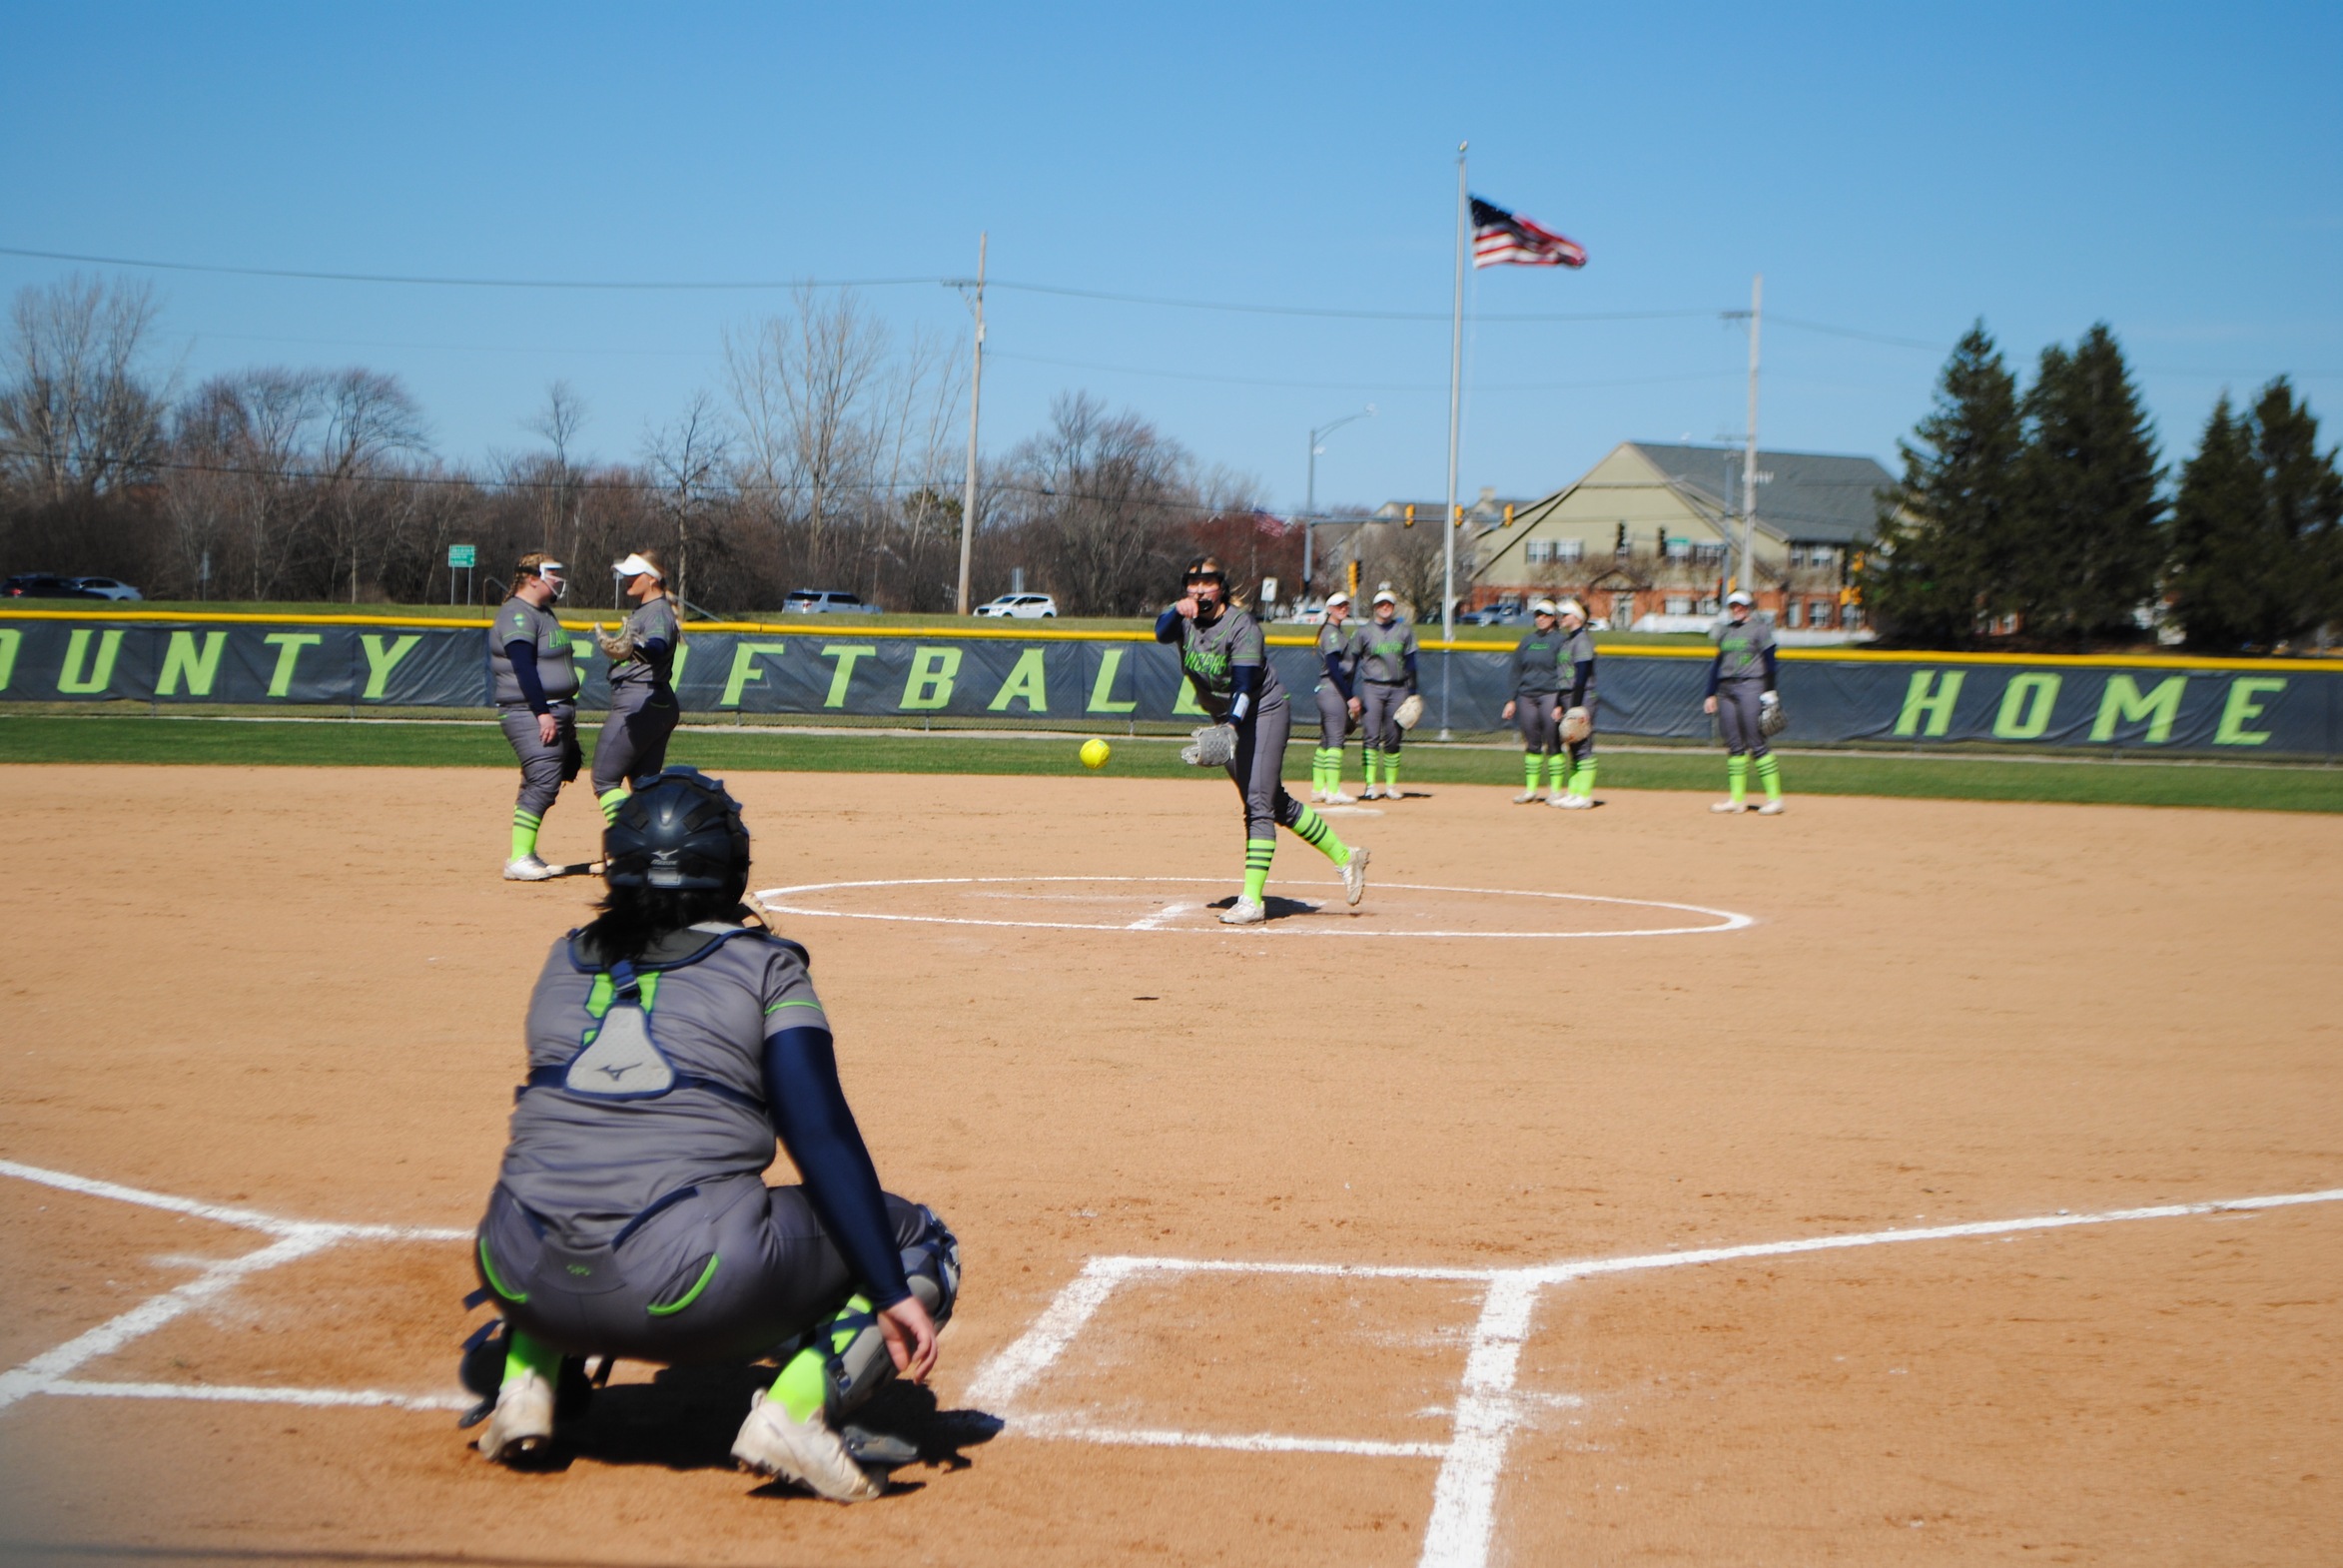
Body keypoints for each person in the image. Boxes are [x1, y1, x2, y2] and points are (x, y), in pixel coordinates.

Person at [466, 767, 961, 1503]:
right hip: (688, 1286)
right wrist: (888, 1287)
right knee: (920, 1239)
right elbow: (819, 1135)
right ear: (732, 868)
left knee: (575, 1176)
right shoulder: (767, 967)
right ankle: (795, 1414)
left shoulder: (562, 958)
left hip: (515, 1271)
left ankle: (526, 1383)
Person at [1156, 556, 1369, 926]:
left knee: (1257, 802)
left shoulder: (1242, 627)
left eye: (1208, 582)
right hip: (1228, 719)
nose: (1199, 590)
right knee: (1272, 801)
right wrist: (1176, 610)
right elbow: (1161, 632)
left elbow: (1243, 686)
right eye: (1192, 583)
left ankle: (1252, 900)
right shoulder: (1184, 620)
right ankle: (1345, 856)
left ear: (1222, 587)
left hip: (1263, 710)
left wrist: (1231, 726)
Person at [491, 554, 583, 881]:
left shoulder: (543, 612)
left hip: (555, 708)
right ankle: (519, 858)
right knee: (543, 779)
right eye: (552, 573)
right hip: (530, 711)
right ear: (532, 578)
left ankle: (524, 853)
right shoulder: (516, 614)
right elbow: (523, 667)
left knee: (540, 779)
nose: (558, 579)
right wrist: (543, 712)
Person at [591, 550, 682, 826]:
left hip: (640, 699)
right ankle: (654, 843)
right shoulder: (650, 609)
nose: (627, 580)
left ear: (652, 579)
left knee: (604, 779)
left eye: (634, 575)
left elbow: (657, 645)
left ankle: (630, 836)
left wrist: (637, 649)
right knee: (645, 786)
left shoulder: (657, 611)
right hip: (654, 701)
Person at [1704, 589, 1784, 814]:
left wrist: (1770, 690)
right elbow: (1717, 663)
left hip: (1751, 685)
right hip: (1726, 688)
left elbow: (1771, 662)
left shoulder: (1759, 629)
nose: (1737, 609)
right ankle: (1736, 799)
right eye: (1733, 606)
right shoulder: (1725, 631)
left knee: (1756, 740)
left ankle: (1775, 799)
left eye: (1740, 605)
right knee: (1734, 744)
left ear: (1749, 607)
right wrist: (1710, 693)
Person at [1500, 599, 1567, 804]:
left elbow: (1565, 672)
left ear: (1554, 618)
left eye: (1545, 615)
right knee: (1532, 742)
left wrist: (1561, 702)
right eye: (1538, 615)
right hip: (1527, 695)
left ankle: (1555, 791)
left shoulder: (1560, 641)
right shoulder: (1527, 641)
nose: (1541, 618)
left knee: (1553, 741)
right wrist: (1511, 700)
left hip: (1550, 694)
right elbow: (1516, 671)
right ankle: (1531, 790)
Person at [1354, 589, 1419, 801]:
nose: (1385, 607)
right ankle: (1370, 785)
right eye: (1382, 604)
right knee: (1371, 735)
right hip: (1372, 687)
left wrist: (1413, 692)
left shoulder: (1404, 631)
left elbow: (1411, 663)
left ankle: (1391, 785)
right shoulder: (1364, 632)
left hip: (1398, 688)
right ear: (1375, 607)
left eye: (1389, 604)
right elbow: (1352, 660)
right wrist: (1348, 694)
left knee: (1393, 736)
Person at [1310, 591, 1365, 804]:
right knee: (1335, 741)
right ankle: (1333, 791)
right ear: (1329, 609)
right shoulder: (1331, 633)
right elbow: (1334, 668)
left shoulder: (1335, 631)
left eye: (1345, 605)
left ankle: (1318, 788)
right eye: (1338, 606)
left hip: (1328, 691)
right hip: (1334, 691)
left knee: (1326, 740)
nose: (1343, 608)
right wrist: (1350, 697)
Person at [1550, 598, 1600, 810]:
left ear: (1577, 618)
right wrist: (1559, 703)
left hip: (1582, 696)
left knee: (1583, 746)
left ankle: (1584, 796)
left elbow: (1581, 675)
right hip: (1567, 696)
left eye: (1566, 615)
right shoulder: (1568, 641)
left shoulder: (1582, 640)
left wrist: (1577, 707)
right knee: (1572, 745)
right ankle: (1573, 793)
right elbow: (1563, 676)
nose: (1561, 618)